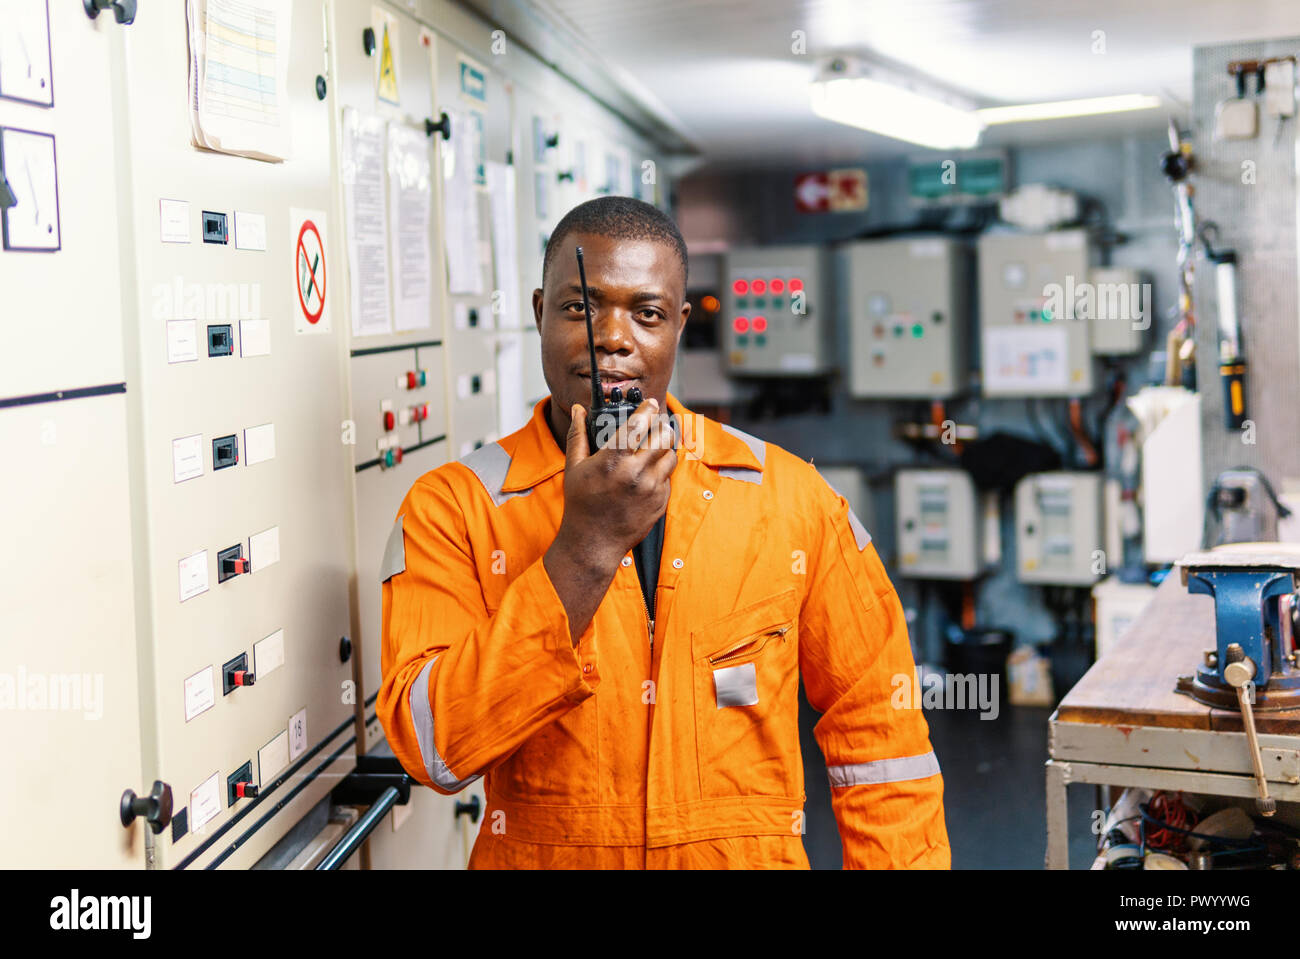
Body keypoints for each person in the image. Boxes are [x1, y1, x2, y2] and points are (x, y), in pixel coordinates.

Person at [378, 196, 950, 868]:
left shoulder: (791, 500)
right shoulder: (455, 507)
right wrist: (583, 549)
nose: (613, 337)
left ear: (679, 324)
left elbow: (881, 738)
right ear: (539, 313)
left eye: (646, 313)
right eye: (579, 307)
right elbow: (433, 747)